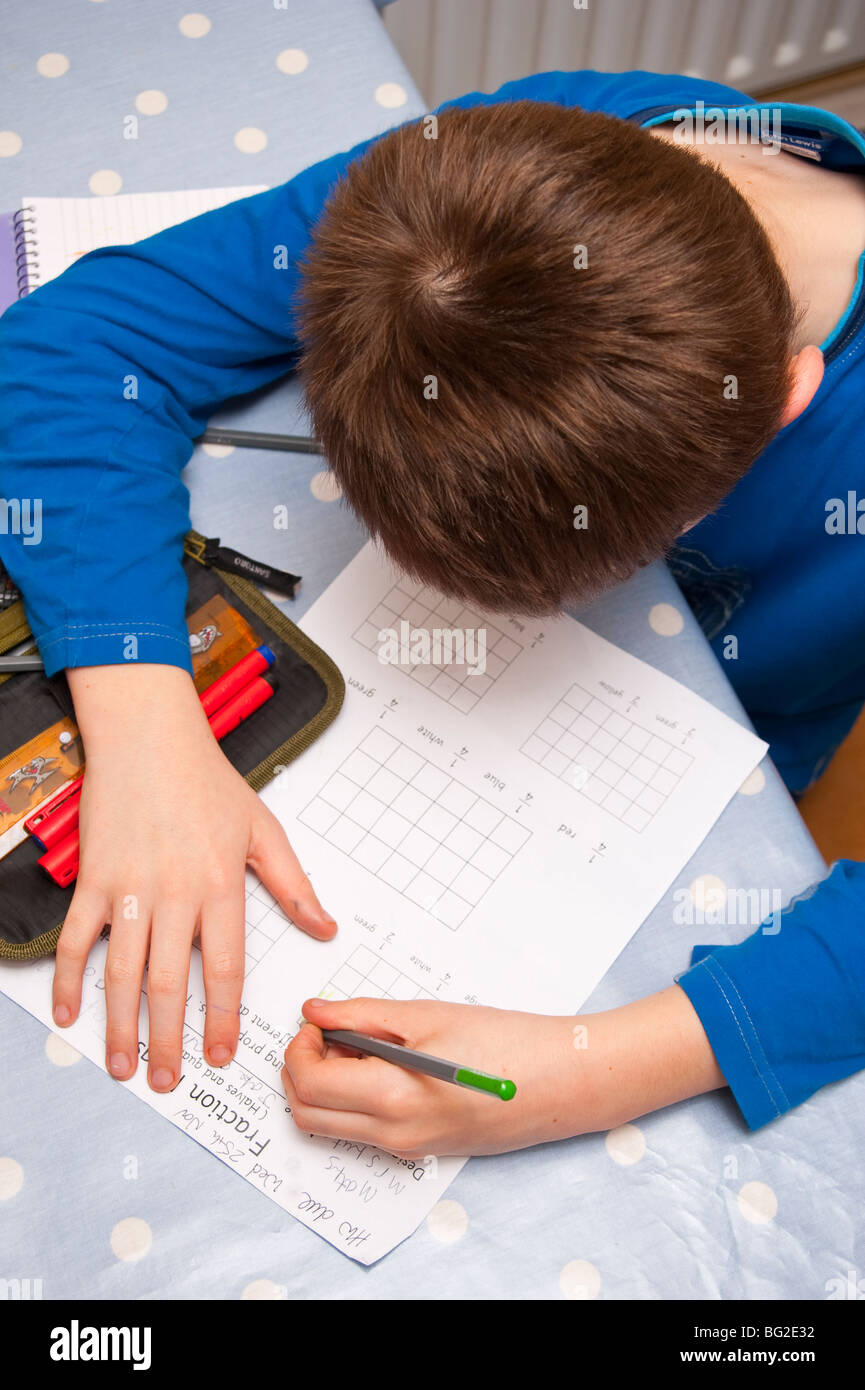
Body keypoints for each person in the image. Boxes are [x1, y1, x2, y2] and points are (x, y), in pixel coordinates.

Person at [1, 69, 863, 1153]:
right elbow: (80, 347)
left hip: (721, 803)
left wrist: (597, 1070)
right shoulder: (465, 196)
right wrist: (142, 724)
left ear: (787, 397)